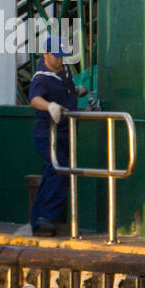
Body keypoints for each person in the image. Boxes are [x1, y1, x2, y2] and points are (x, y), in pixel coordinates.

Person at [27, 37, 84, 237]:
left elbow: (63, 90)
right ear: (46, 54)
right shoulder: (42, 77)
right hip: (48, 135)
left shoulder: (64, 71)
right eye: (56, 57)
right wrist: (50, 106)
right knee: (59, 170)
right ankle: (45, 219)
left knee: (53, 172)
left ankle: (39, 221)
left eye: (62, 57)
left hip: (64, 134)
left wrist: (76, 92)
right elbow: (35, 99)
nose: (60, 61)